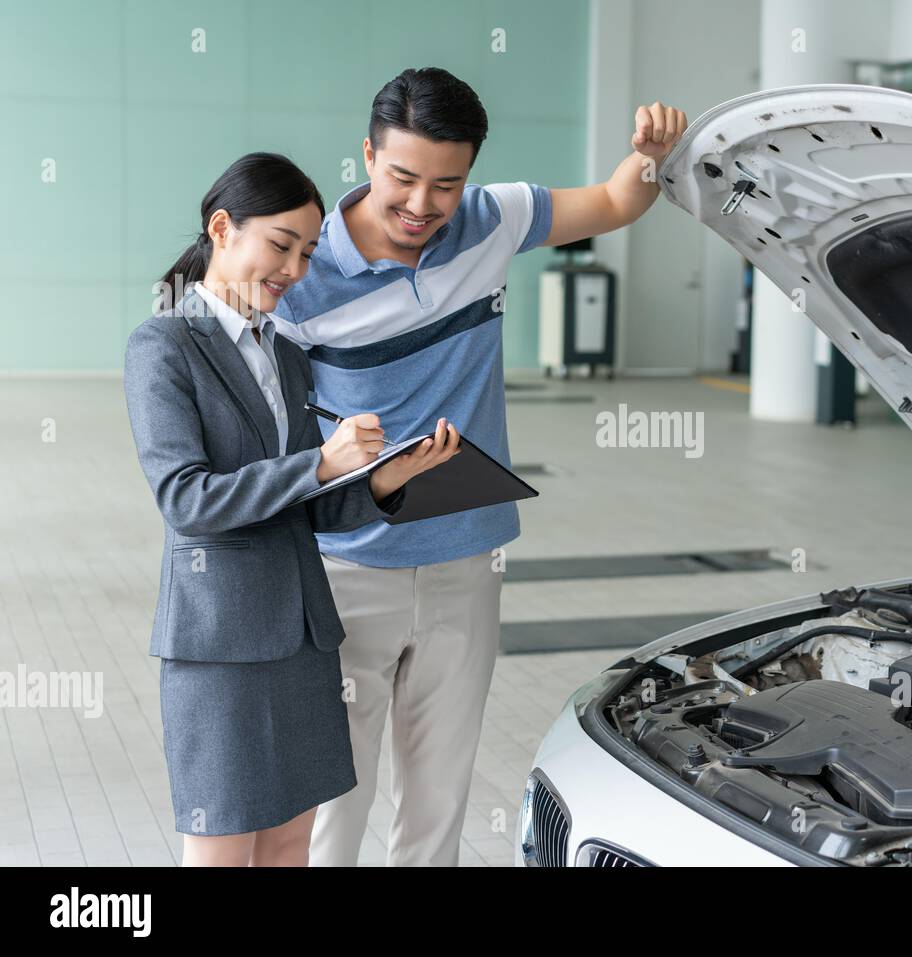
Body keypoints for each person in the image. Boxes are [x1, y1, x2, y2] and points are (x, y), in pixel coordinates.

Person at [272, 66, 686, 866]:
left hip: (467, 556)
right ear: (365, 154)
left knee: (438, 796)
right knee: (333, 802)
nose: (422, 206)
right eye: (402, 178)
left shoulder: (495, 219)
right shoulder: (305, 271)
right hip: (348, 569)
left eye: (446, 184)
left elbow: (613, 201)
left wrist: (650, 157)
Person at [122, 152, 460, 866]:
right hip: (221, 645)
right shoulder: (164, 346)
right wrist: (319, 462)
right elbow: (184, 498)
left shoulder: (286, 356)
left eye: (307, 252)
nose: (295, 269)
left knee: (288, 847)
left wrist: (381, 480)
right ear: (223, 228)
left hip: (303, 638)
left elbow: (312, 507)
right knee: (221, 848)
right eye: (282, 245)